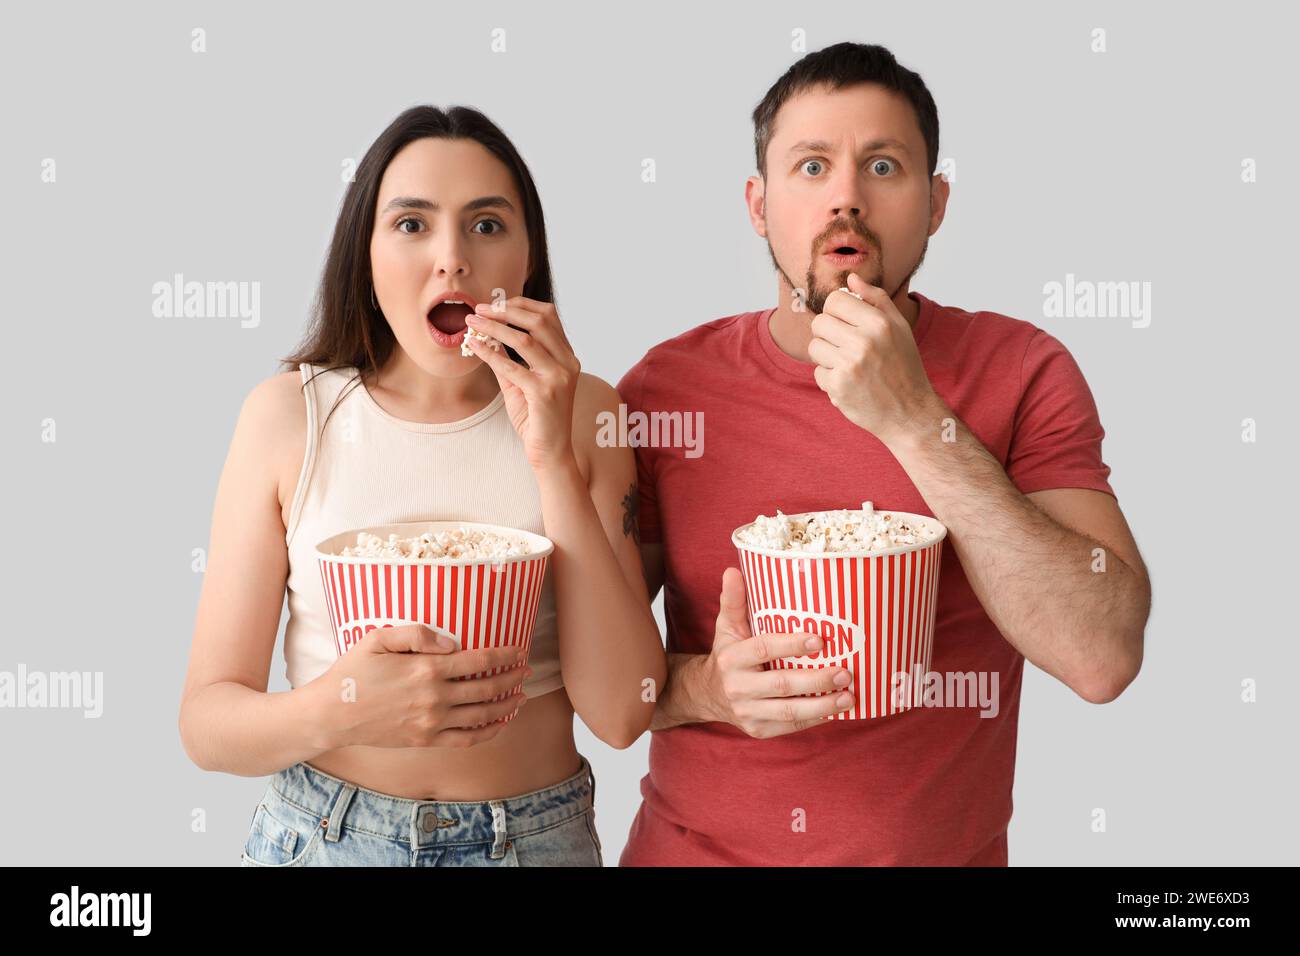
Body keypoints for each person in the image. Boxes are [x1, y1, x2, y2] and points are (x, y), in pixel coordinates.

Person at [617, 42, 1152, 866]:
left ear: (936, 203)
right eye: (811, 166)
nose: (846, 197)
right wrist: (705, 689)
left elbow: (1102, 656)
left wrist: (912, 420)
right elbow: (592, 684)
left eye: (884, 166)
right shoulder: (665, 390)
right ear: (757, 205)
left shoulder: (1020, 370)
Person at [179, 105, 665, 867]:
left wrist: (551, 459)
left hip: (534, 841)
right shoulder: (288, 417)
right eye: (411, 225)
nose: (452, 260)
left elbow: (624, 709)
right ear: (364, 255)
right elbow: (207, 724)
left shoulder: (588, 413)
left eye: (487, 225)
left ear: (527, 257)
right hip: (325, 835)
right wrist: (342, 707)